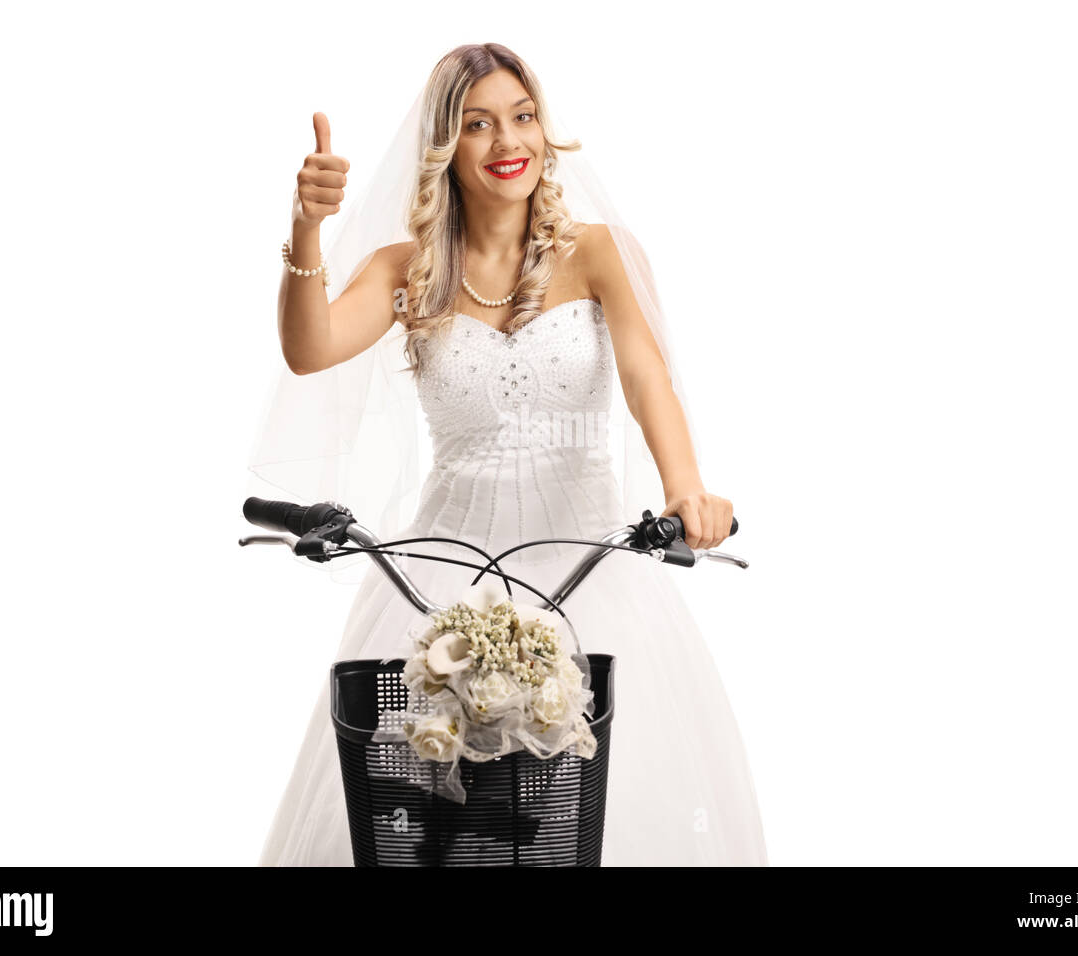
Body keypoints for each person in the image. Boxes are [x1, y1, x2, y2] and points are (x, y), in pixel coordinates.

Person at [249, 42, 768, 865]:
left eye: (522, 117)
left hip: (589, 560)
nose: (507, 142)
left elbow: (647, 379)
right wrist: (306, 226)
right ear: (444, 146)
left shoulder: (601, 251)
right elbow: (310, 347)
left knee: (605, 807)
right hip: (440, 571)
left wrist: (688, 490)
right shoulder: (406, 269)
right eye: (478, 124)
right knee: (423, 820)